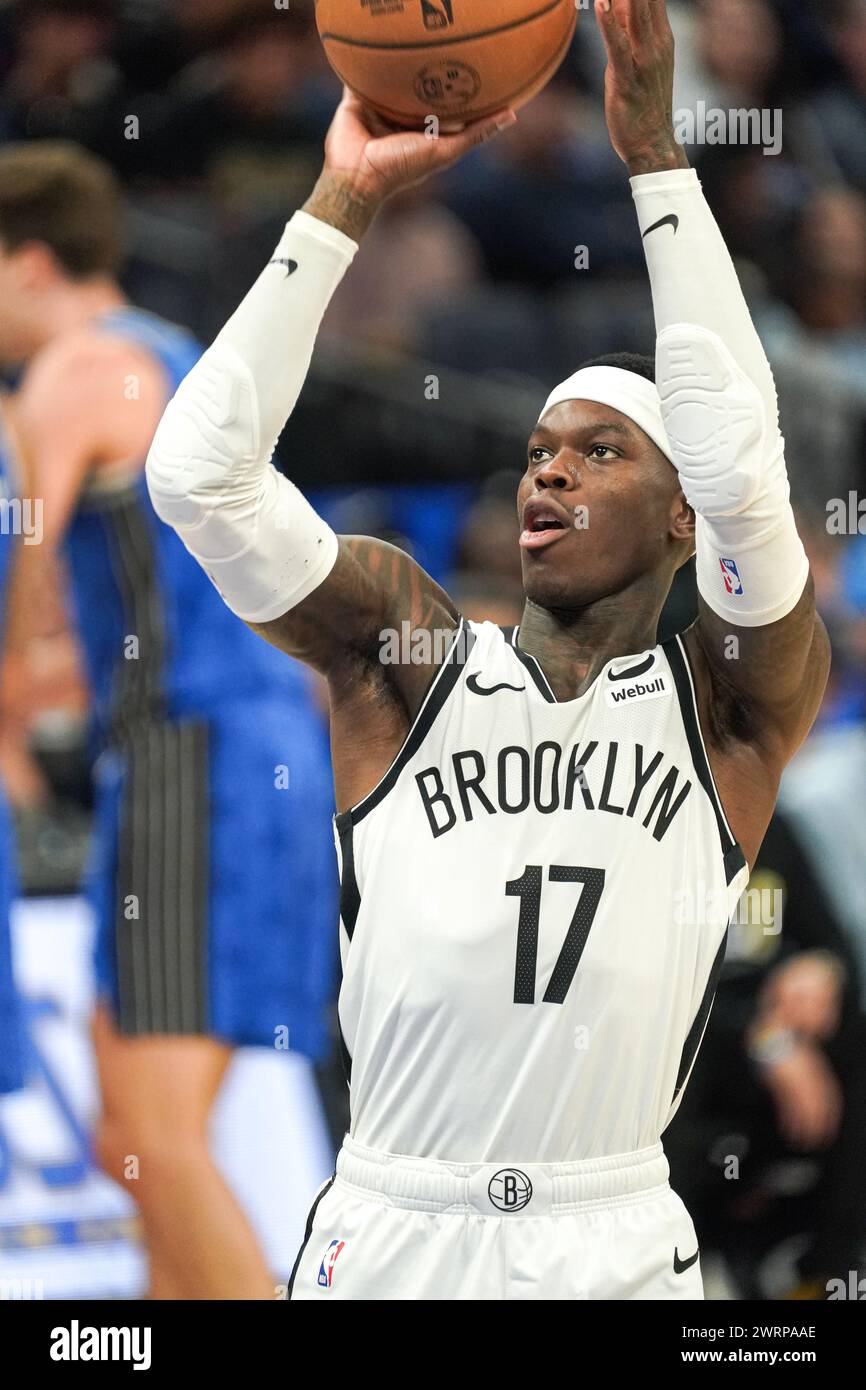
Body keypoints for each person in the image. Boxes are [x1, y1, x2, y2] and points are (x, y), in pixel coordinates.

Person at [145, 0, 829, 1301]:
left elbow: (742, 463)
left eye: (596, 451)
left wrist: (657, 167)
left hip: (612, 1230)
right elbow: (195, 477)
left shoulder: (730, 707)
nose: (548, 472)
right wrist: (338, 200)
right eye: (535, 452)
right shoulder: (401, 654)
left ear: (677, 517)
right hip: (396, 1217)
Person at [0, 141, 337, 1299]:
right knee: (134, 1139)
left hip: (194, 751)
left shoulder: (74, 370)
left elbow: (17, 591)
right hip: (239, 746)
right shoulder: (179, 356)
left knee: (157, 1130)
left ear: (31, 262)